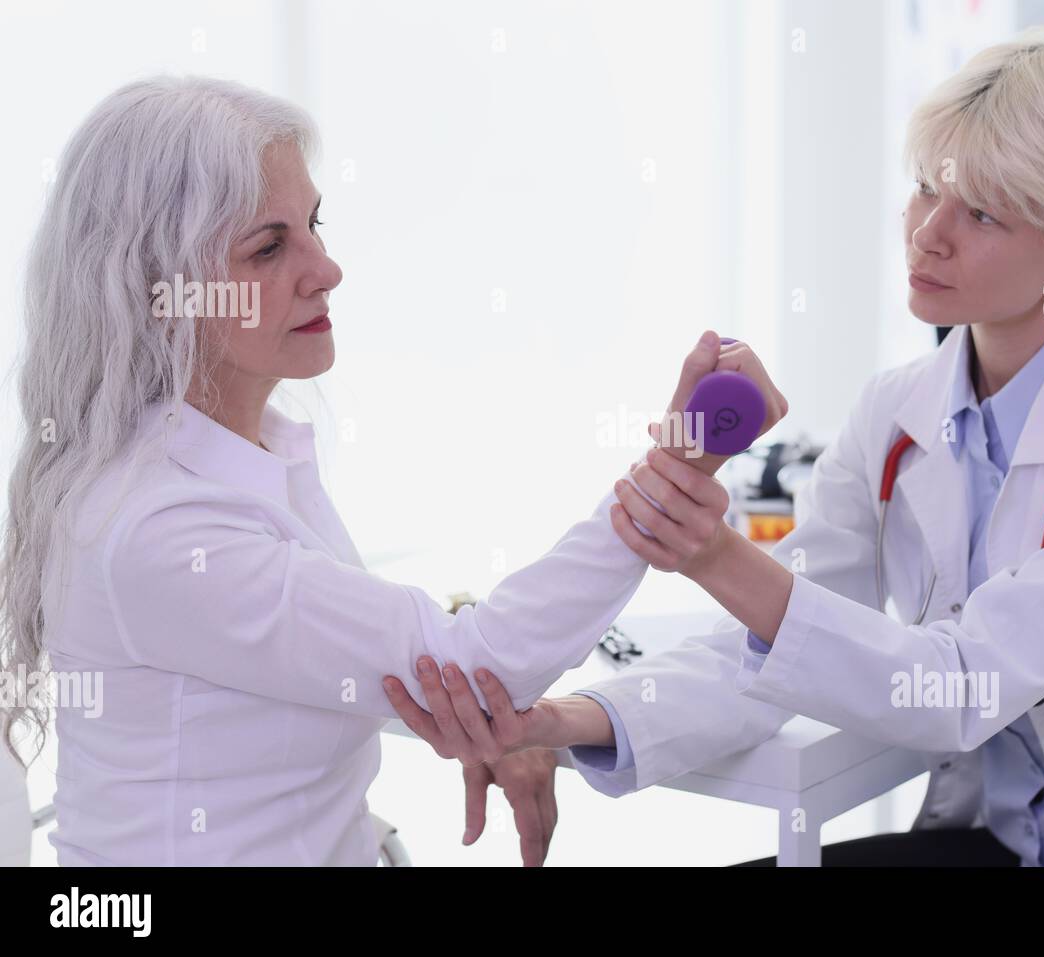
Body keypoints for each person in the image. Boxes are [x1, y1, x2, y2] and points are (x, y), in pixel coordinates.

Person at [388, 31, 1044, 866]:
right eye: (927, 187)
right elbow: (768, 649)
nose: (927, 234)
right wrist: (558, 719)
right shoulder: (897, 411)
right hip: (995, 843)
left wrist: (712, 553)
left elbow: (962, 684)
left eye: (983, 214)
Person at [0, 75, 786, 866]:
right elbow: (474, 662)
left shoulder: (250, 453)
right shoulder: (159, 527)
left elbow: (361, 654)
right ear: (160, 293)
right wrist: (677, 466)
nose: (326, 268)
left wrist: (472, 704)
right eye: (269, 247)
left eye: (313, 225)